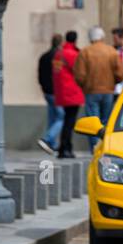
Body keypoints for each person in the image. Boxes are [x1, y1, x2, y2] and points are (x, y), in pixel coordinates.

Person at [75, 26, 122, 151]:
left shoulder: (85, 52)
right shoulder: (112, 51)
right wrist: (113, 83)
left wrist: (85, 86)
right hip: (108, 91)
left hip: (91, 91)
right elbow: (120, 73)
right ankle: (105, 147)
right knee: (106, 121)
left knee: (92, 123)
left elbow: (80, 75)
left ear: (91, 38)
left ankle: (95, 148)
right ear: (102, 37)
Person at [52, 31, 85, 159]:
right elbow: (79, 71)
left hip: (62, 92)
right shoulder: (73, 54)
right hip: (72, 93)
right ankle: (66, 148)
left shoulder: (58, 54)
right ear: (76, 40)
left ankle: (63, 148)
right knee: (69, 122)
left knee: (66, 120)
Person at [36, 33, 63, 155]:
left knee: (52, 116)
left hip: (47, 91)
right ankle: (47, 139)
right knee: (62, 117)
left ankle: (53, 145)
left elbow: (40, 75)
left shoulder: (44, 56)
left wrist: (43, 87)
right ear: (60, 43)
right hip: (56, 91)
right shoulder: (58, 57)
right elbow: (59, 75)